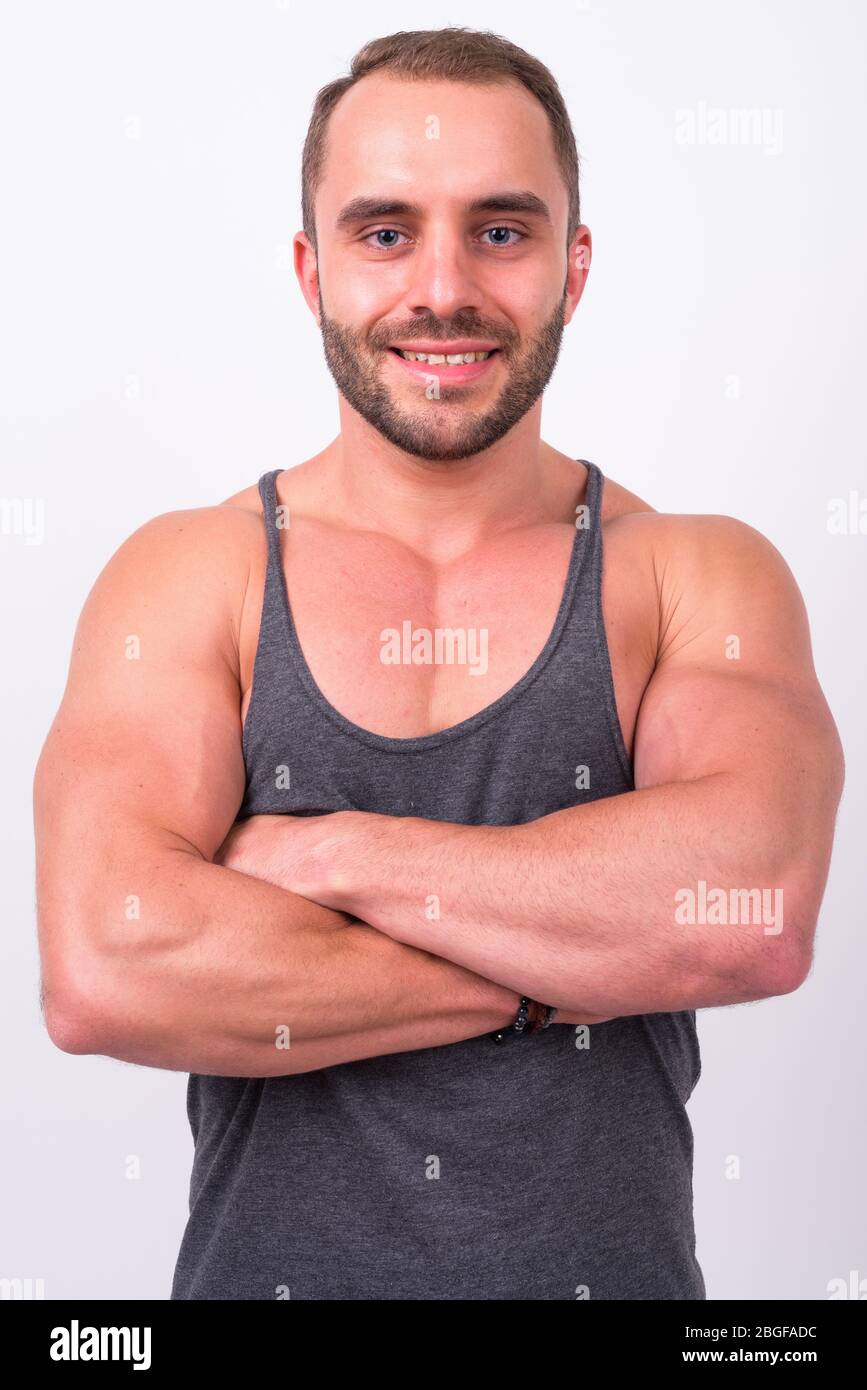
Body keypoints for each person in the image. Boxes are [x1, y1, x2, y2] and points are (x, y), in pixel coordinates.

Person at [34, 27, 843, 1301]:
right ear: (312, 269)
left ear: (577, 266)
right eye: (386, 231)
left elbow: (746, 917)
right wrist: (562, 966)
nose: (444, 287)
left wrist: (325, 853)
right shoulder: (193, 575)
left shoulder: (695, 575)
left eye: (503, 230)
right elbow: (107, 965)